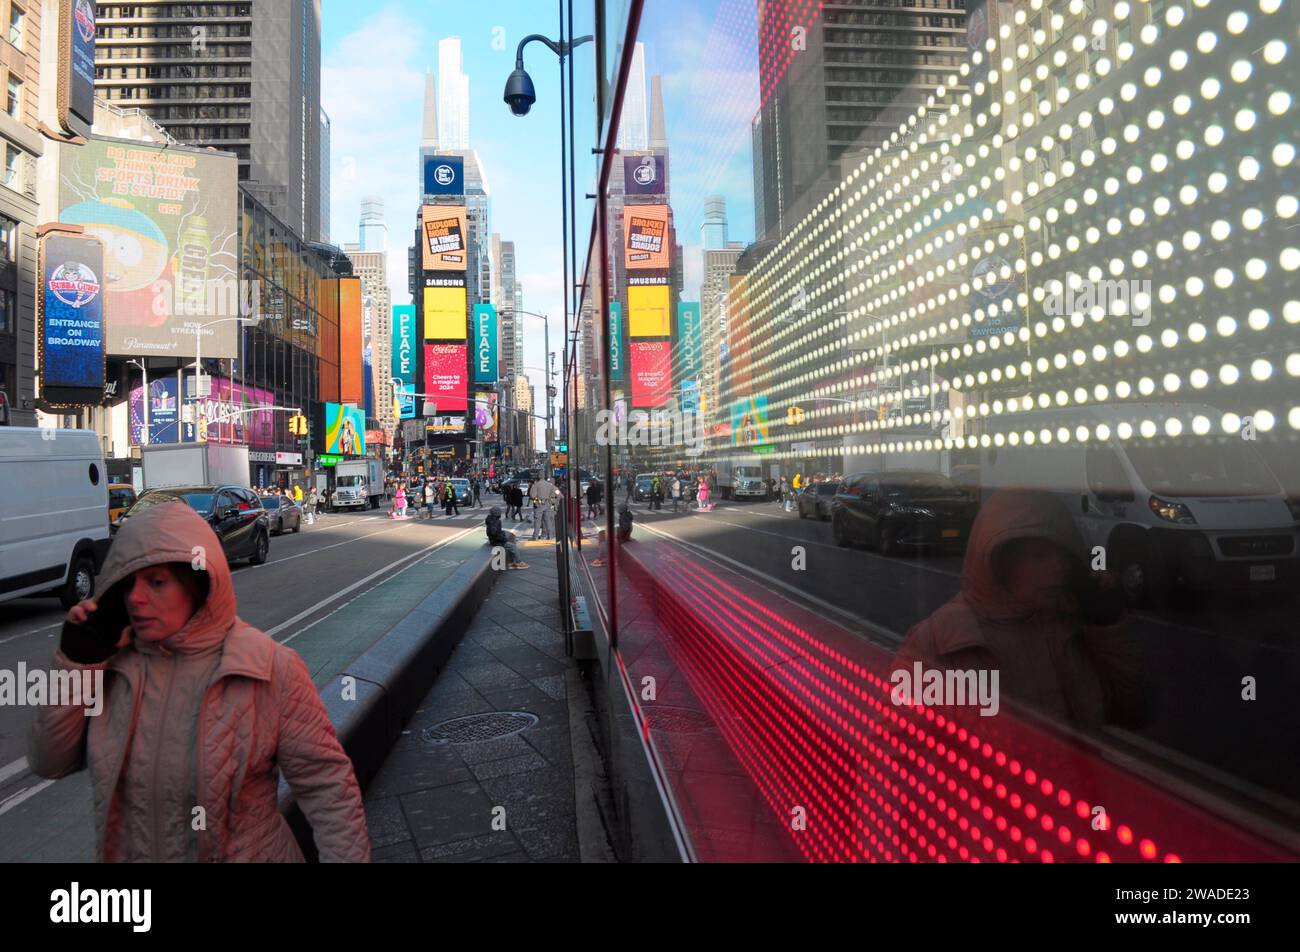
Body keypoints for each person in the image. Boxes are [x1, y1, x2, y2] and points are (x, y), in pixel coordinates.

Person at [27, 501, 370, 862]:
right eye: (128, 584)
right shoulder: (110, 666)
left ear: (198, 582)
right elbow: (49, 762)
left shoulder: (270, 668)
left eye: (157, 582)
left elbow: (329, 791)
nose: (137, 598)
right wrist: (77, 662)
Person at [893, 489, 1143, 730]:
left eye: (1063, 557)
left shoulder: (1071, 627)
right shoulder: (938, 644)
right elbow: (895, 756)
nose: (1058, 568)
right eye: (1038, 556)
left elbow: (1131, 711)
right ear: (1001, 562)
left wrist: (1106, 626)